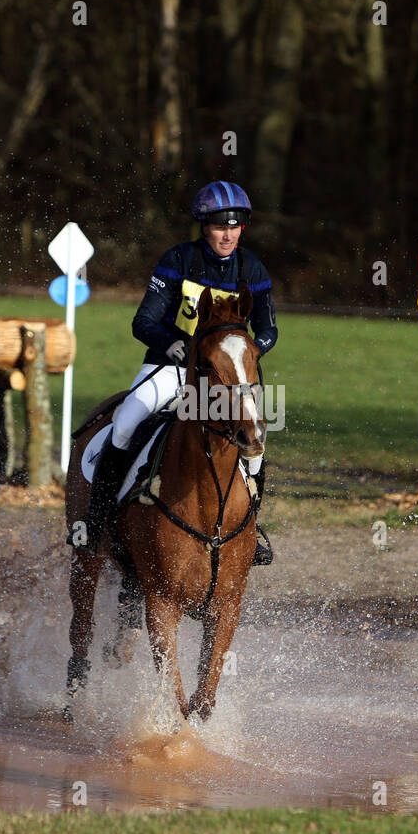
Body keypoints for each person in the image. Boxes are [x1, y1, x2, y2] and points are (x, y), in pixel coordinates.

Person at [77, 180, 277, 564]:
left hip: (227, 377)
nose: (228, 234)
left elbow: (268, 329)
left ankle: (251, 527)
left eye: (235, 227)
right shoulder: (178, 260)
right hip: (169, 366)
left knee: (255, 443)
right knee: (125, 423)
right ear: (204, 227)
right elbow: (143, 321)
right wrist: (170, 342)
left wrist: (255, 351)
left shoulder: (252, 268)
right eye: (221, 226)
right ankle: (95, 519)